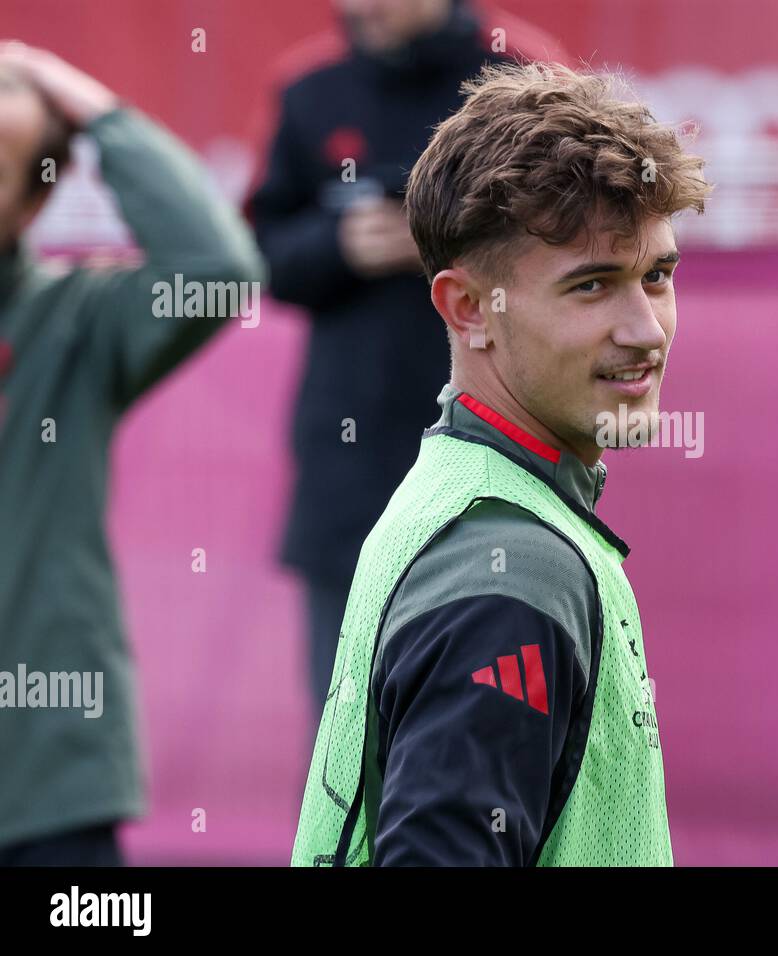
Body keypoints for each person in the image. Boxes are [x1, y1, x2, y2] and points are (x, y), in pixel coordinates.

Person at [291, 60, 710, 866]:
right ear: (468, 308)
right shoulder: (508, 572)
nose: (647, 330)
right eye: (592, 286)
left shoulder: (465, 493)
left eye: (657, 276)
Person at [247, 0, 557, 708]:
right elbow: (259, 255)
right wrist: (339, 247)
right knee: (345, 719)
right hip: (347, 462)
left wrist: (449, 246)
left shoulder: (520, 75)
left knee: (487, 717)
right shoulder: (310, 88)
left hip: (495, 450)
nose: (361, 7)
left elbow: (568, 250)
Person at [0, 42, 263, 865]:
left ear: (27, 207)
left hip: (46, 790)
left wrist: (97, 111)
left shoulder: (74, 323)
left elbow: (217, 269)